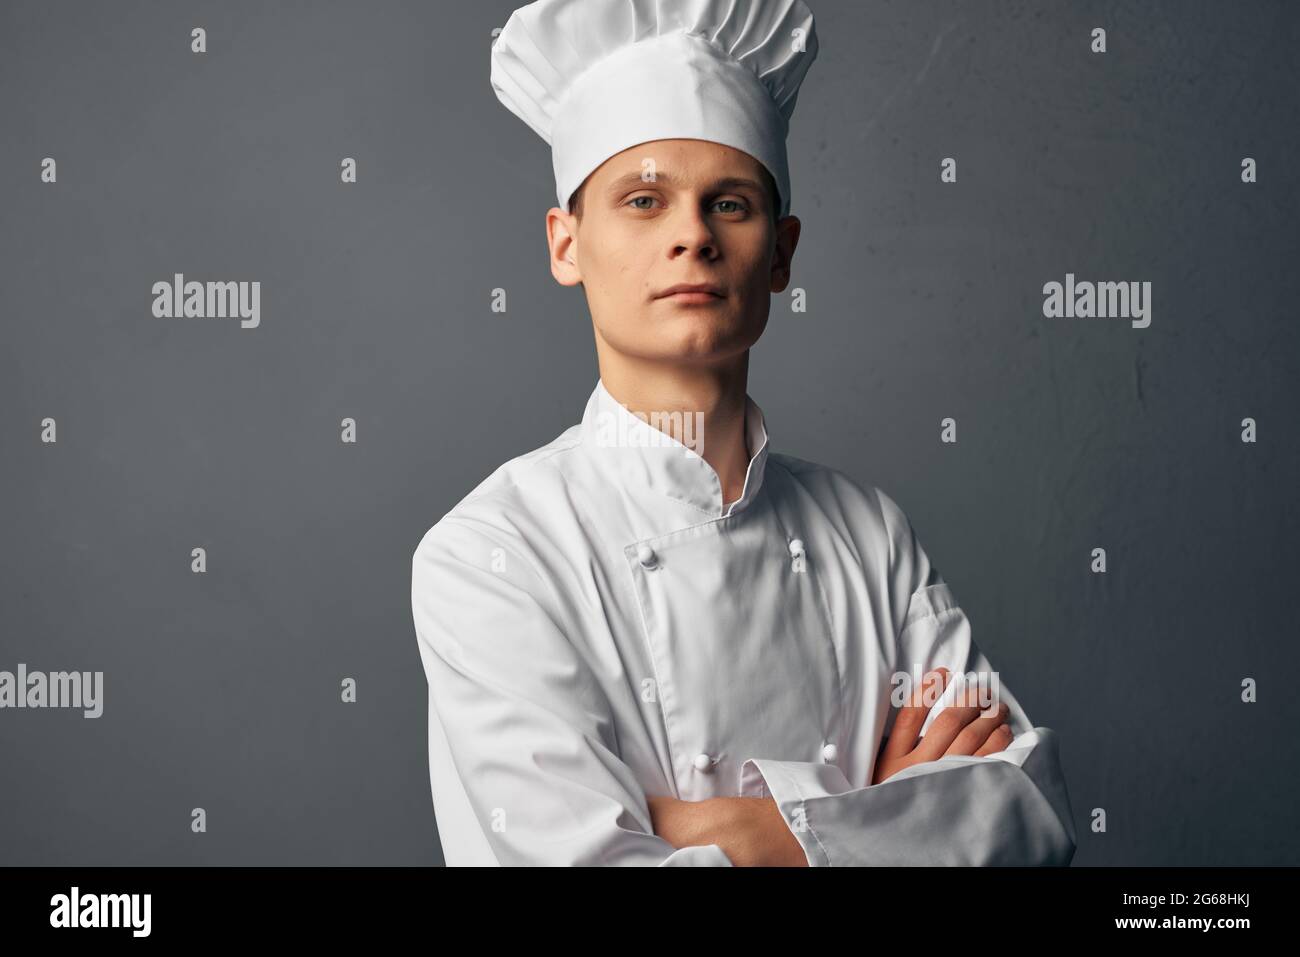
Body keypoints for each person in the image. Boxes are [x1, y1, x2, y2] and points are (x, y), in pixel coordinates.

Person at [410, 0, 1077, 866]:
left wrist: (737, 834)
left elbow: (1030, 818)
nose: (691, 236)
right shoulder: (491, 554)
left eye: (728, 203)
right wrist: (882, 817)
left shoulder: (869, 534)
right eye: (643, 200)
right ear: (566, 244)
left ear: (784, 252)